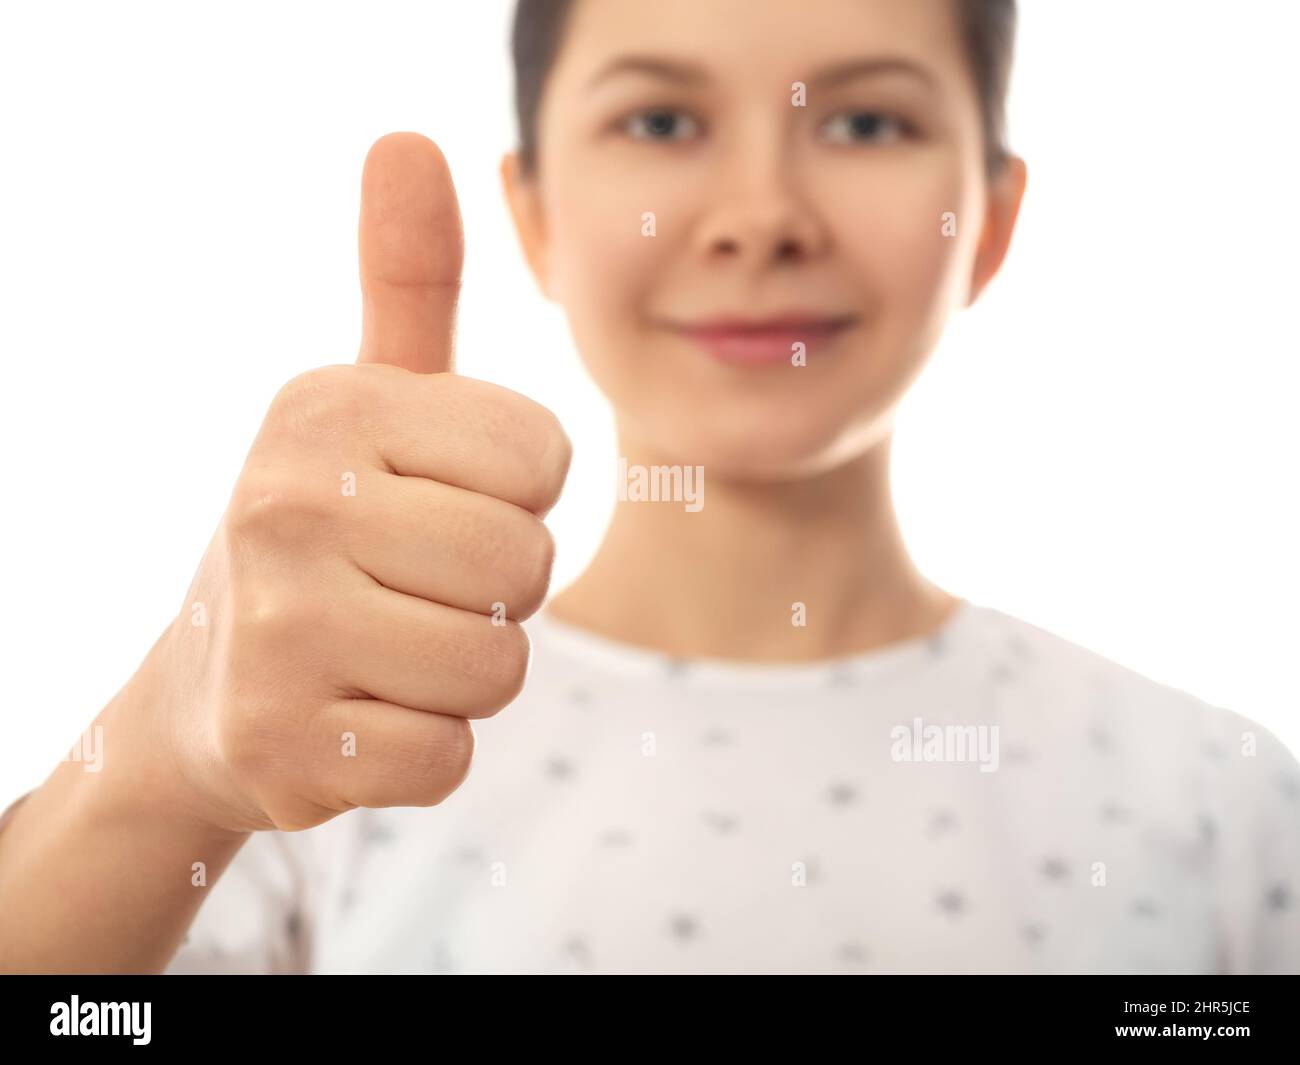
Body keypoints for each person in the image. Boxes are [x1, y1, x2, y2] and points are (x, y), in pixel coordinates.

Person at [1, 0, 1296, 975]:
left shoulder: (1219, 799)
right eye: (662, 119)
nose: (759, 214)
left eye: (865, 120)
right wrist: (163, 766)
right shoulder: (317, 759)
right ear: (538, 216)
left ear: (993, 219)